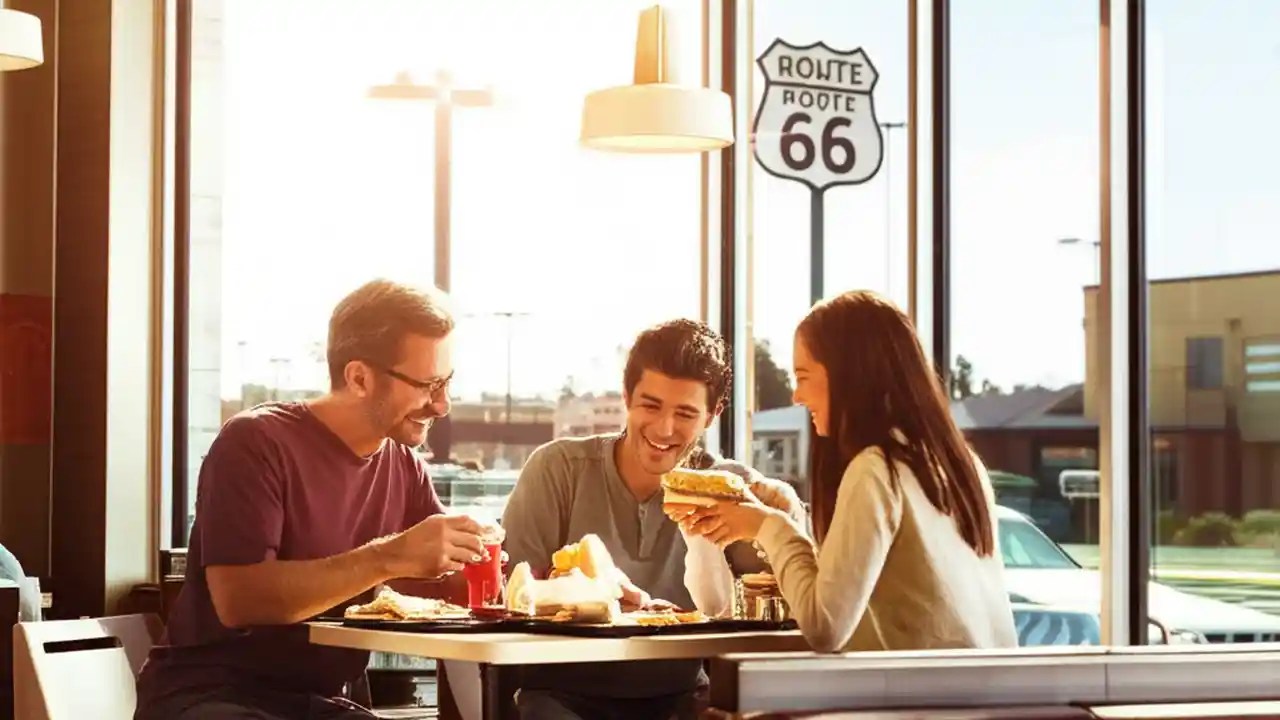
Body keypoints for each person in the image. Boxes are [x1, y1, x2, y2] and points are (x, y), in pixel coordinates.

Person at [135, 279, 488, 719]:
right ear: (359, 377)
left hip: (316, 704)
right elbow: (240, 601)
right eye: (427, 385)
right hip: (207, 696)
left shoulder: (403, 465)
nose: (442, 405)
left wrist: (491, 568)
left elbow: (434, 586)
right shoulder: (257, 441)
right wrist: (388, 557)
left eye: (447, 382)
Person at [672, 291, 1018, 653]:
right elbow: (854, 592)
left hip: (924, 705)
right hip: (987, 698)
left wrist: (769, 527)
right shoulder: (958, 465)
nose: (796, 396)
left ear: (850, 375)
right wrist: (781, 520)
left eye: (803, 376)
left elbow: (825, 627)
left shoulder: (876, 469)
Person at [497, 319, 803, 720]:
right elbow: (515, 596)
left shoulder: (733, 490)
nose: (664, 428)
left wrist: (786, 514)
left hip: (685, 701)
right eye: (651, 405)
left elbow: (784, 597)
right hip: (559, 698)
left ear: (712, 415)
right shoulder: (557, 470)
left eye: (686, 413)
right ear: (626, 396)